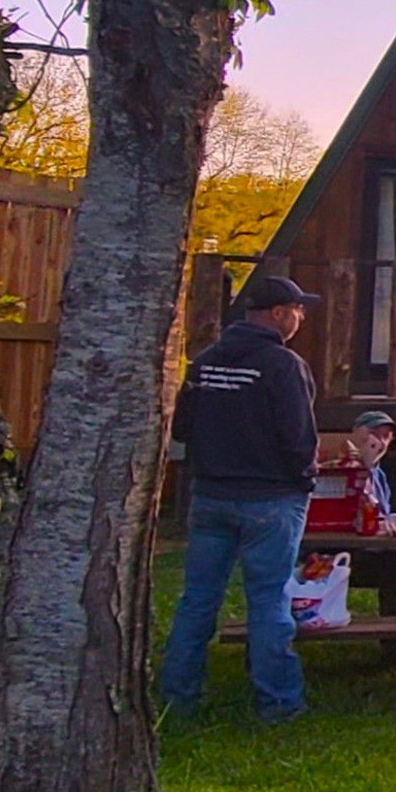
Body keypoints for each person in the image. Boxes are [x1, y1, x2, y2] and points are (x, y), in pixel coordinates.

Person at [160, 273, 324, 725]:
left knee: (197, 600)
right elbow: (298, 436)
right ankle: (278, 705)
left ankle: (177, 699)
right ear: (278, 314)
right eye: (298, 310)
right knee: (269, 601)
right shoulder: (283, 365)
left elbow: (181, 427)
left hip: (211, 494)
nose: (301, 317)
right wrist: (305, 479)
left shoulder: (205, 363)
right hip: (271, 498)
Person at [343, 409, 396, 661]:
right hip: (342, 552)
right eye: (373, 433)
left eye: (386, 436)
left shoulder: (379, 473)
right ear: (355, 434)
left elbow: (382, 515)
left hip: (377, 542)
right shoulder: (342, 467)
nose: (379, 441)